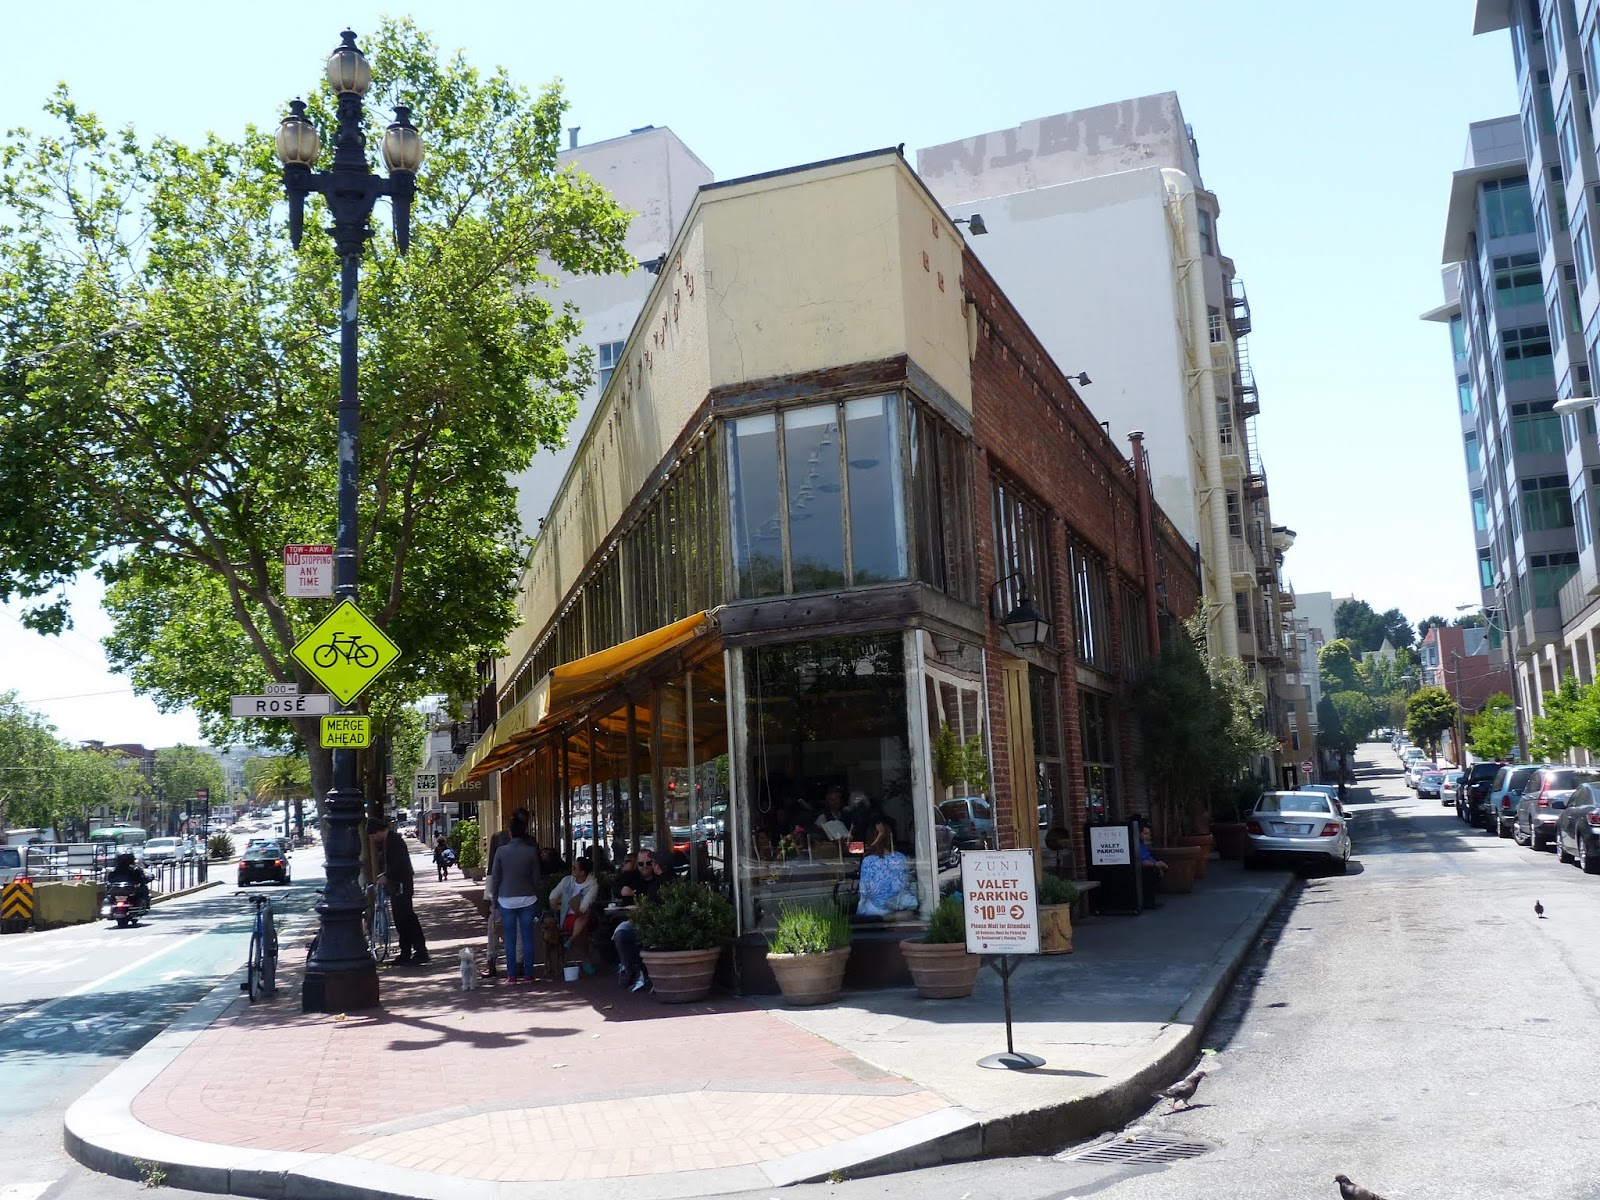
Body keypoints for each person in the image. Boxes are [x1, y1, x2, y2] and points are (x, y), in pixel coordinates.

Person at [489, 810, 542, 984]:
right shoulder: (531, 851)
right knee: (527, 936)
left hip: (506, 898)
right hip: (528, 897)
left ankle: (511, 975)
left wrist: (494, 899)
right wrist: (536, 893)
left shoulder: (501, 851)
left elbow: (496, 877)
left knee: (510, 938)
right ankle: (528, 973)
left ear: (510, 833)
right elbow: (536, 877)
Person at [370, 814, 429, 966]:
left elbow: (399, 864)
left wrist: (387, 876)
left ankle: (416, 952)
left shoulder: (393, 841)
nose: (373, 839)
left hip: (401, 885)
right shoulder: (392, 840)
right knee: (403, 919)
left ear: (377, 832)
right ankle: (409, 951)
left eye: (373, 836)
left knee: (405, 918)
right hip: (400, 884)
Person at [612, 848, 665, 991]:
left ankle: (648, 975)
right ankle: (630, 971)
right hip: (633, 918)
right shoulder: (630, 876)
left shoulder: (661, 878)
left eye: (649, 863)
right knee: (620, 933)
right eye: (641, 864)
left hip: (657, 921)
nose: (645, 867)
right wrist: (621, 891)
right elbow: (615, 887)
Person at [855, 813, 918, 919]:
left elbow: (864, 892)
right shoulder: (900, 857)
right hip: (898, 907)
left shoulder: (868, 861)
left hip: (875, 911)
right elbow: (905, 884)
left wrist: (859, 913)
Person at [548, 856, 601, 974]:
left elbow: (588, 900)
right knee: (582, 929)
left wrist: (581, 909)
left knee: (585, 914)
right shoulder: (567, 880)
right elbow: (555, 892)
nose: (571, 869)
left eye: (574, 868)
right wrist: (553, 900)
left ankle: (572, 940)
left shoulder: (592, 885)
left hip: (583, 915)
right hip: (569, 918)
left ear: (582, 872)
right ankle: (585, 959)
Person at [1138, 825, 1167, 908]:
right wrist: (1156, 865)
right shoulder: (1137, 845)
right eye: (1145, 833)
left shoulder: (1142, 844)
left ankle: (1150, 900)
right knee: (1150, 873)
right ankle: (1147, 902)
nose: (1148, 836)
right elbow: (1142, 861)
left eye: (1149, 834)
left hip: (1147, 866)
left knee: (1157, 871)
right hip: (1140, 869)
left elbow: (1148, 857)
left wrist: (1158, 865)